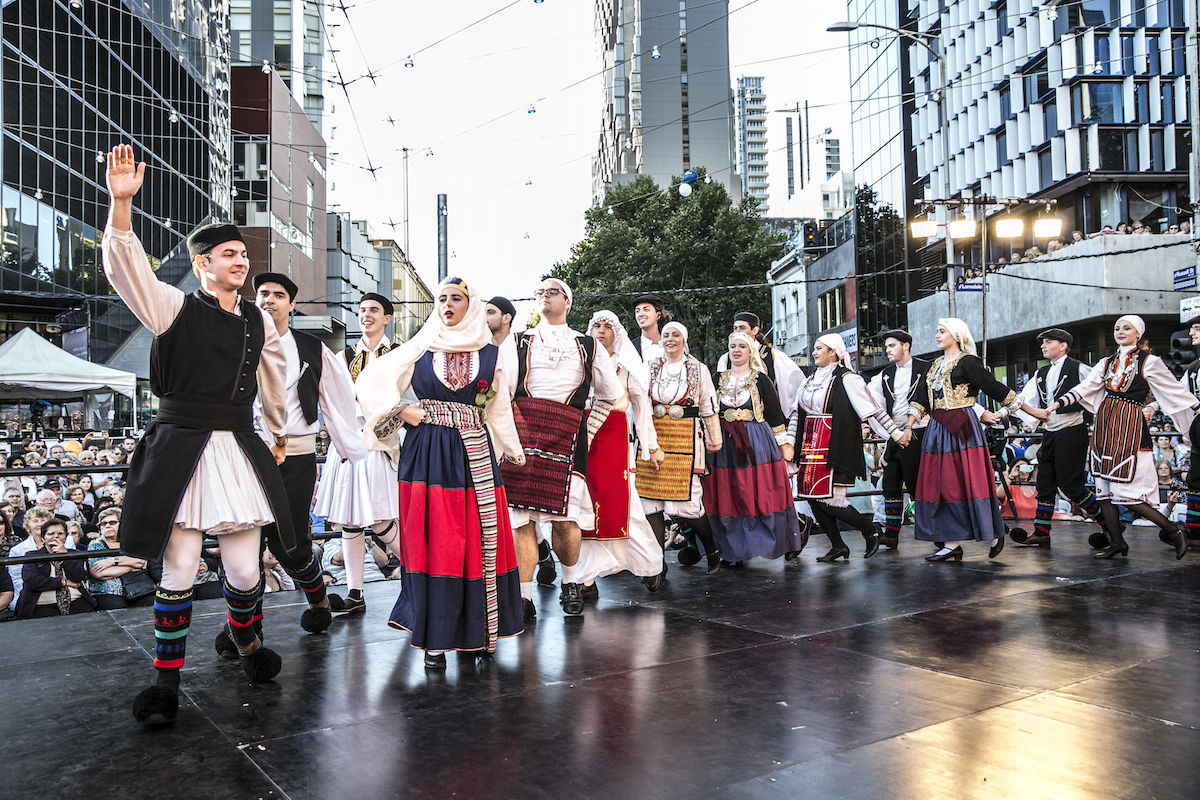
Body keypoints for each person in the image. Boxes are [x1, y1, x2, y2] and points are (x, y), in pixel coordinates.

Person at [103, 144, 297, 725]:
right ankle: (165, 684)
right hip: (183, 446)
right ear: (203, 264)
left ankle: (248, 646)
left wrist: (279, 433)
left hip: (237, 448)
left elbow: (273, 376)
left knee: (244, 571)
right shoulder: (171, 308)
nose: (241, 261)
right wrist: (121, 206)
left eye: (243, 254)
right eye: (229, 254)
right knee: (180, 567)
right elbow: (125, 269)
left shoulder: (257, 319)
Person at [357, 276, 525, 668]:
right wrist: (400, 410)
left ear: (472, 305)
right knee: (435, 541)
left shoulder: (491, 352)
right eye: (442, 298)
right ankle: (434, 639)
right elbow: (369, 383)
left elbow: (498, 407)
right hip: (428, 452)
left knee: (478, 540)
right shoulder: (418, 348)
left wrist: (511, 448)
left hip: (474, 453)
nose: (447, 305)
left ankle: (480, 632)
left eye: (456, 299)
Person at [244, 273, 364, 634]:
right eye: (263, 293)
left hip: (296, 456)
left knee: (290, 545)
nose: (269, 300)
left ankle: (318, 599)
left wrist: (350, 449)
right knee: (245, 547)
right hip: (247, 455)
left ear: (291, 304)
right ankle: (245, 627)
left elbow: (339, 399)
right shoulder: (240, 343)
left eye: (278, 295)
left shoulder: (312, 347)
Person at [501, 278, 623, 619]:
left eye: (552, 291)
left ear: (567, 302)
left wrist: (588, 428)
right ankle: (524, 598)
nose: (544, 295)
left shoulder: (587, 345)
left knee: (566, 520)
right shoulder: (517, 342)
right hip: (523, 435)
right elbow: (503, 394)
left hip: (568, 438)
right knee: (521, 522)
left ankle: (570, 583)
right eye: (539, 291)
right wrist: (508, 437)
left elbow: (610, 393)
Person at [1049, 315, 1194, 559]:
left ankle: (1173, 531)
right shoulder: (1106, 362)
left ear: (1138, 333)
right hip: (1106, 426)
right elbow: (1086, 388)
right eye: (1117, 328)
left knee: (1127, 494)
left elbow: (1174, 389)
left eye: (1127, 328)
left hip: (1129, 427)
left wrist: (1196, 406)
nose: (1120, 331)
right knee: (1104, 491)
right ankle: (1117, 542)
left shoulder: (1149, 362)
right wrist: (1058, 403)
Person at [311, 292, 403, 614]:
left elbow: (410, 400)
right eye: (362, 310)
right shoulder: (342, 355)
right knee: (350, 521)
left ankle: (419, 572)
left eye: (374, 310)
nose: (366, 315)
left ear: (387, 318)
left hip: (382, 441)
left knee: (379, 519)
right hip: (349, 440)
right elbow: (333, 402)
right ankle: (355, 594)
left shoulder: (399, 355)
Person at [910, 319, 1021, 562]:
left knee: (968, 482)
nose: (937, 335)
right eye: (937, 331)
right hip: (937, 429)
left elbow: (994, 387)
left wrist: (1022, 409)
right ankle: (951, 544)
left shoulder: (968, 362)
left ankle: (993, 534)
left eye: (942, 331)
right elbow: (922, 399)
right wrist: (908, 425)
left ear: (957, 335)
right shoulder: (934, 365)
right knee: (941, 485)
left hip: (962, 427)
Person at [574, 311, 666, 594]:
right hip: (583, 441)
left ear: (617, 333)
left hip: (614, 441)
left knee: (625, 507)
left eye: (606, 326)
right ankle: (586, 578)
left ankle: (649, 565)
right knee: (582, 506)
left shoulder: (627, 370)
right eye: (595, 326)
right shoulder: (579, 367)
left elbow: (642, 413)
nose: (600, 330)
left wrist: (651, 446)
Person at [794, 333, 904, 561]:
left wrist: (895, 433)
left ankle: (869, 530)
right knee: (812, 497)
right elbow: (797, 413)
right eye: (814, 348)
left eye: (819, 348)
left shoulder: (847, 378)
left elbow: (872, 409)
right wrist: (787, 440)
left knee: (833, 500)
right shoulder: (810, 379)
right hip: (809, 443)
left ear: (833, 351)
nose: (814, 352)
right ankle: (838, 545)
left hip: (835, 443)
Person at [705, 331, 804, 564]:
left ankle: (764, 543)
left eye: (742, 346)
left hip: (756, 441)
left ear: (751, 352)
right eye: (733, 346)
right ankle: (732, 549)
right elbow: (707, 409)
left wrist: (784, 446)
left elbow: (774, 415)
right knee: (728, 493)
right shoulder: (716, 378)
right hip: (723, 443)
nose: (736, 350)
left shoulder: (761, 379)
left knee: (757, 493)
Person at [634, 321, 724, 574]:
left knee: (688, 505)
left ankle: (712, 549)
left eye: (675, 335)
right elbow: (639, 403)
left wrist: (714, 439)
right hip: (654, 436)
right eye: (666, 335)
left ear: (684, 340)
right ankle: (656, 563)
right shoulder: (649, 367)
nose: (670, 339)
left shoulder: (698, 368)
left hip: (686, 435)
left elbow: (708, 405)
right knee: (651, 502)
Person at [1012, 328, 1111, 548]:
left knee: (1071, 486)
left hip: (1072, 430)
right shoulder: (1042, 373)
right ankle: (1041, 531)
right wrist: (1002, 412)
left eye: (1048, 342)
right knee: (1045, 483)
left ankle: (1109, 524)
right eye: (1043, 343)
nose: (1043, 346)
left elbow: (1099, 391)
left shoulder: (1080, 368)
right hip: (1049, 432)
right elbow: (1024, 399)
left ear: (1063, 345)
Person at [866, 329, 931, 549]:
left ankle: (935, 534)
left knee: (916, 485)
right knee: (890, 482)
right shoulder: (885, 374)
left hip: (918, 431)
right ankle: (891, 534)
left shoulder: (926, 368)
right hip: (895, 431)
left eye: (892, 346)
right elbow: (866, 397)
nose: (887, 351)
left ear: (906, 346)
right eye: (886, 347)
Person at [716, 312, 805, 413]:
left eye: (742, 328)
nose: (738, 332)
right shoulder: (726, 358)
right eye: (735, 328)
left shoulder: (774, 355)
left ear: (755, 330)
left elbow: (790, 386)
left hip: (766, 416)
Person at [16, 518, 96, 618]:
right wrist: (63, 582)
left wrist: (64, 556)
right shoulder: (32, 556)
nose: (55, 537)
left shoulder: (75, 554)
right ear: (43, 537)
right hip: (43, 604)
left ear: (66, 537)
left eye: (60, 533)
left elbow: (79, 576)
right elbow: (33, 581)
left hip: (75, 600)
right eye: (50, 534)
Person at [86, 508, 148, 610]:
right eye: (103, 523)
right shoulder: (95, 545)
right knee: (118, 609)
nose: (107, 526)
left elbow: (141, 561)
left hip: (136, 586)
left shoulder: (129, 542)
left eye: (112, 522)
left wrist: (112, 561)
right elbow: (99, 573)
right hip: (107, 591)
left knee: (150, 605)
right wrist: (130, 567)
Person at [631, 294, 669, 362]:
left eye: (646, 310)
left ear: (658, 315)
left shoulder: (671, 344)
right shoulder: (630, 347)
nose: (640, 314)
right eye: (637, 311)